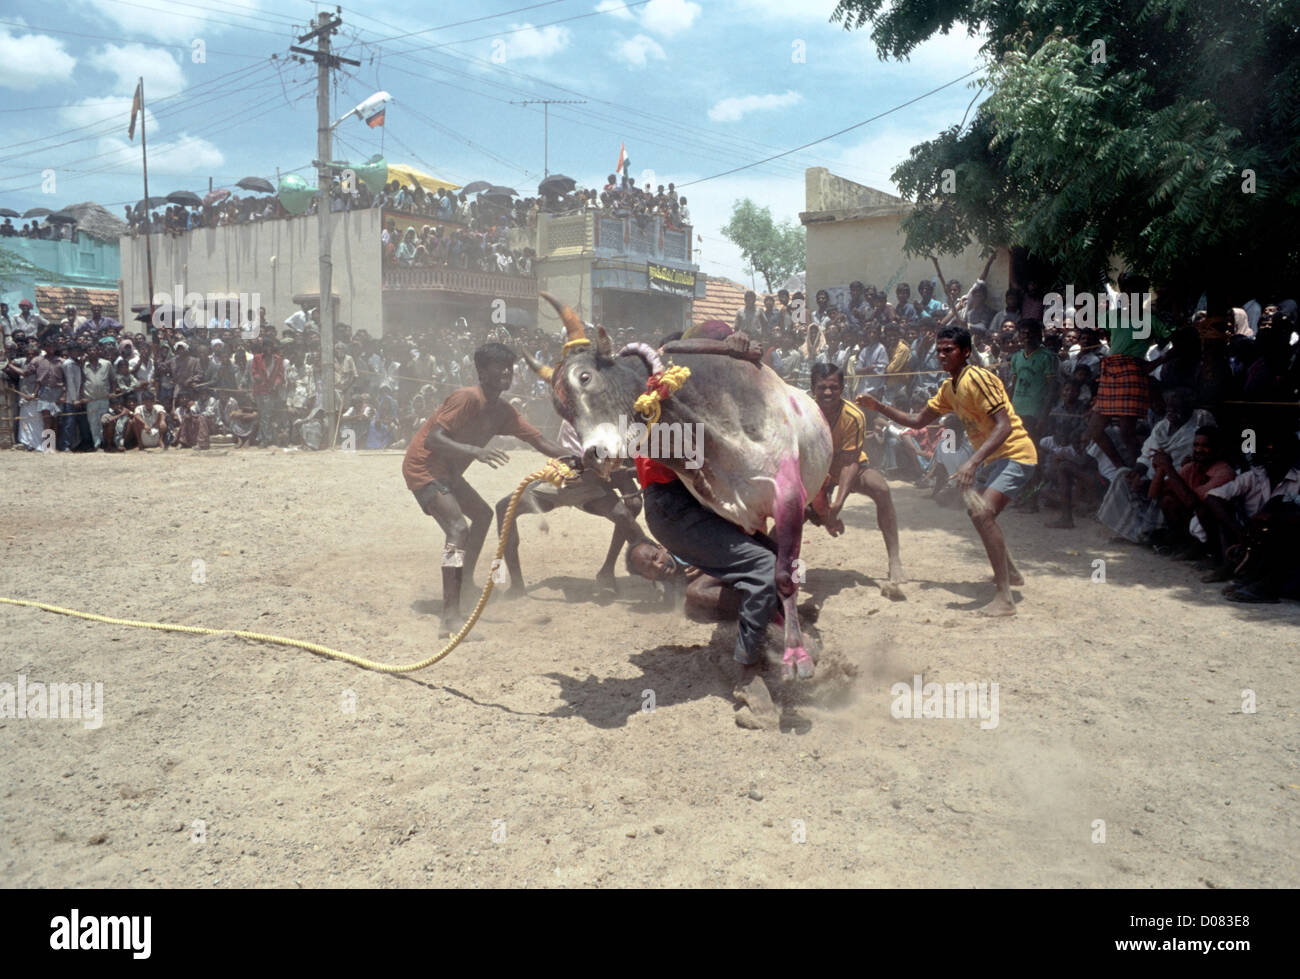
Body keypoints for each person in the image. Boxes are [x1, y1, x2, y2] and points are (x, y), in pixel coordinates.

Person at [858, 325, 1038, 615]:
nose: (942, 355)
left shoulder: (977, 378)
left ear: (965, 352)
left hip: (1016, 454)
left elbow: (1004, 426)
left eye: (949, 350)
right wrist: (879, 406)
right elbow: (917, 420)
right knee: (978, 513)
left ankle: (1005, 598)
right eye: (939, 350)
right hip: (994, 459)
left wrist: (972, 461)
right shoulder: (948, 388)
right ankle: (1012, 573)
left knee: (982, 514)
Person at [403, 342, 567, 638]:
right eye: (499, 366)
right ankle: (449, 617)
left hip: (449, 473)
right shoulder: (466, 398)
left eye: (509, 367)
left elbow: (541, 441)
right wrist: (475, 451)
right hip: (423, 468)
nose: (506, 372)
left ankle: (465, 582)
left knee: (482, 515)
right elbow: (433, 440)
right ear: (481, 372)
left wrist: (582, 457)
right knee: (457, 530)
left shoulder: (503, 411)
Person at [494, 420, 648, 598]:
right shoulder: (575, 419)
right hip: (564, 481)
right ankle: (516, 584)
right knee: (505, 507)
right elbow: (571, 457)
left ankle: (610, 571)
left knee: (629, 509)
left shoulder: (625, 420)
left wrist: (631, 472)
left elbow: (620, 464)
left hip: (596, 488)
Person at [806, 363, 905, 597]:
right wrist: (820, 506)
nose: (828, 392)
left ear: (842, 388)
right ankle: (783, 571)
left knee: (881, 489)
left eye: (833, 387)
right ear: (812, 388)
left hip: (847, 466)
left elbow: (850, 463)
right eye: (822, 387)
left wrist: (837, 504)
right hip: (815, 472)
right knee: (793, 514)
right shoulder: (803, 412)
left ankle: (894, 559)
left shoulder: (854, 415)